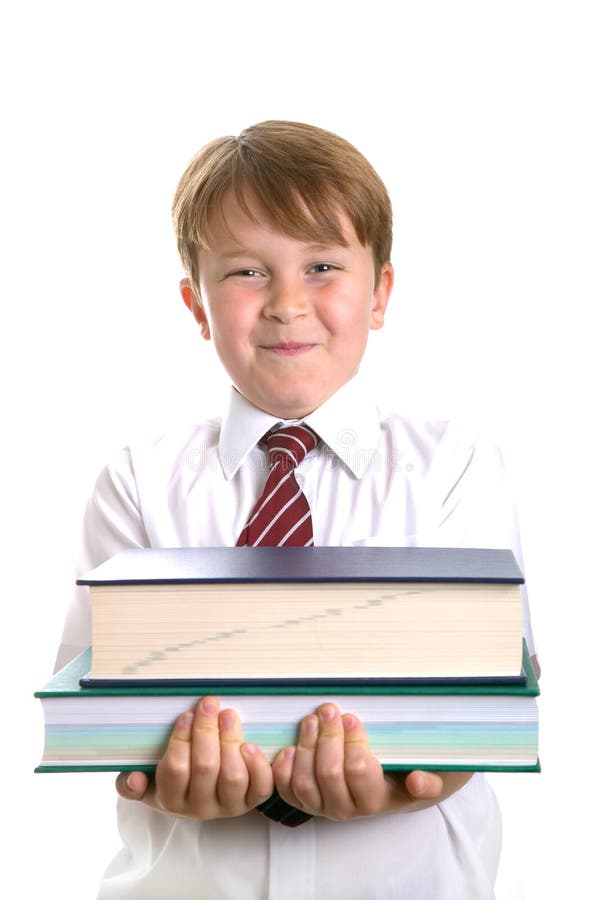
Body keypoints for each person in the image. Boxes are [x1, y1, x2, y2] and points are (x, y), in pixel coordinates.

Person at [57, 120, 537, 900]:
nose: (286, 304)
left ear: (379, 293)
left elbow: (491, 698)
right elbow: (99, 708)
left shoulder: (452, 466)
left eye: (321, 267)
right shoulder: (138, 481)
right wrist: (163, 773)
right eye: (246, 272)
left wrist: (400, 785)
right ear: (196, 304)